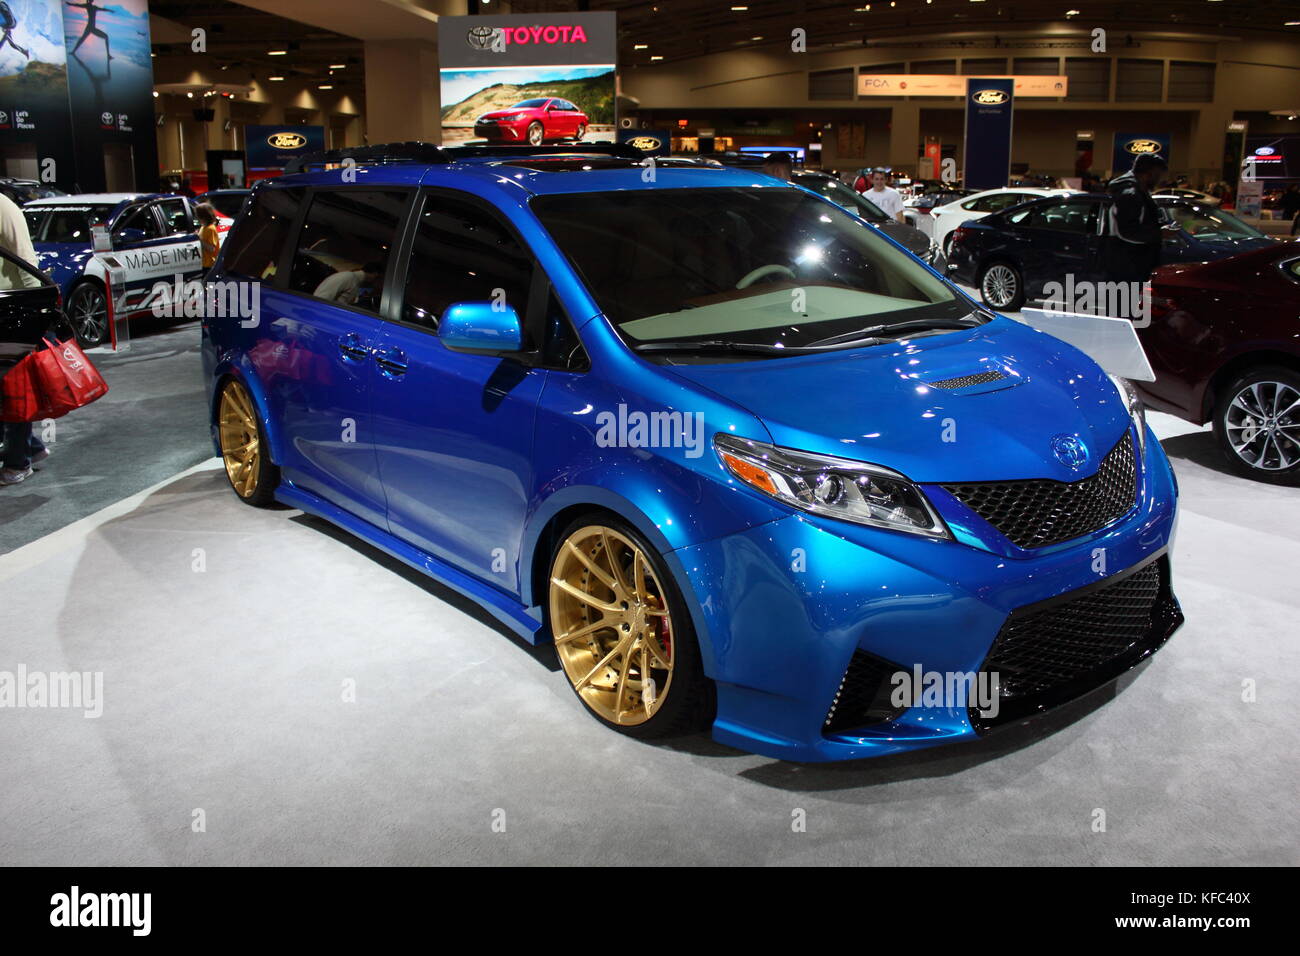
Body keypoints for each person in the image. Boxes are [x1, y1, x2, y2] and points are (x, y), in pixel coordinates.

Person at [0, 192, 49, 486]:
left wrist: (38, 308)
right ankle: (30, 446)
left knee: (13, 387)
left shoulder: (4, 208)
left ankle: (19, 461)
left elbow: (25, 259)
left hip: (12, 309)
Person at [1102, 152, 1174, 283]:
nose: (1160, 180)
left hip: (1129, 265)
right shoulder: (1130, 194)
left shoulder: (1134, 190)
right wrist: (1160, 234)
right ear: (1149, 173)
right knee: (1125, 302)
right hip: (1129, 266)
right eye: (1158, 175)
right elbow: (1127, 232)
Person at [313, 262, 383, 307]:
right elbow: (320, 298)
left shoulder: (355, 281)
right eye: (377, 278)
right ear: (375, 274)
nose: (375, 281)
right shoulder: (347, 277)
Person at [195, 203, 221, 269]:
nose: (197, 217)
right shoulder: (203, 227)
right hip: (202, 263)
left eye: (198, 215)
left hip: (209, 265)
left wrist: (199, 240)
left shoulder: (211, 229)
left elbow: (212, 248)